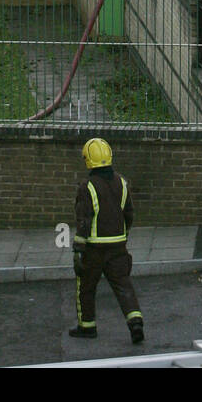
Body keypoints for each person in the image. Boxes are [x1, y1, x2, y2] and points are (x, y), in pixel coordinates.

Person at [70, 138, 144, 344]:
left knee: (85, 286)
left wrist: (78, 249)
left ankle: (87, 326)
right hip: (118, 246)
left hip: (94, 248)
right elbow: (129, 213)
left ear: (88, 160)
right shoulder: (122, 182)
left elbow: (83, 219)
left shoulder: (87, 186)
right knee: (123, 285)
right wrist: (124, 235)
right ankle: (135, 321)